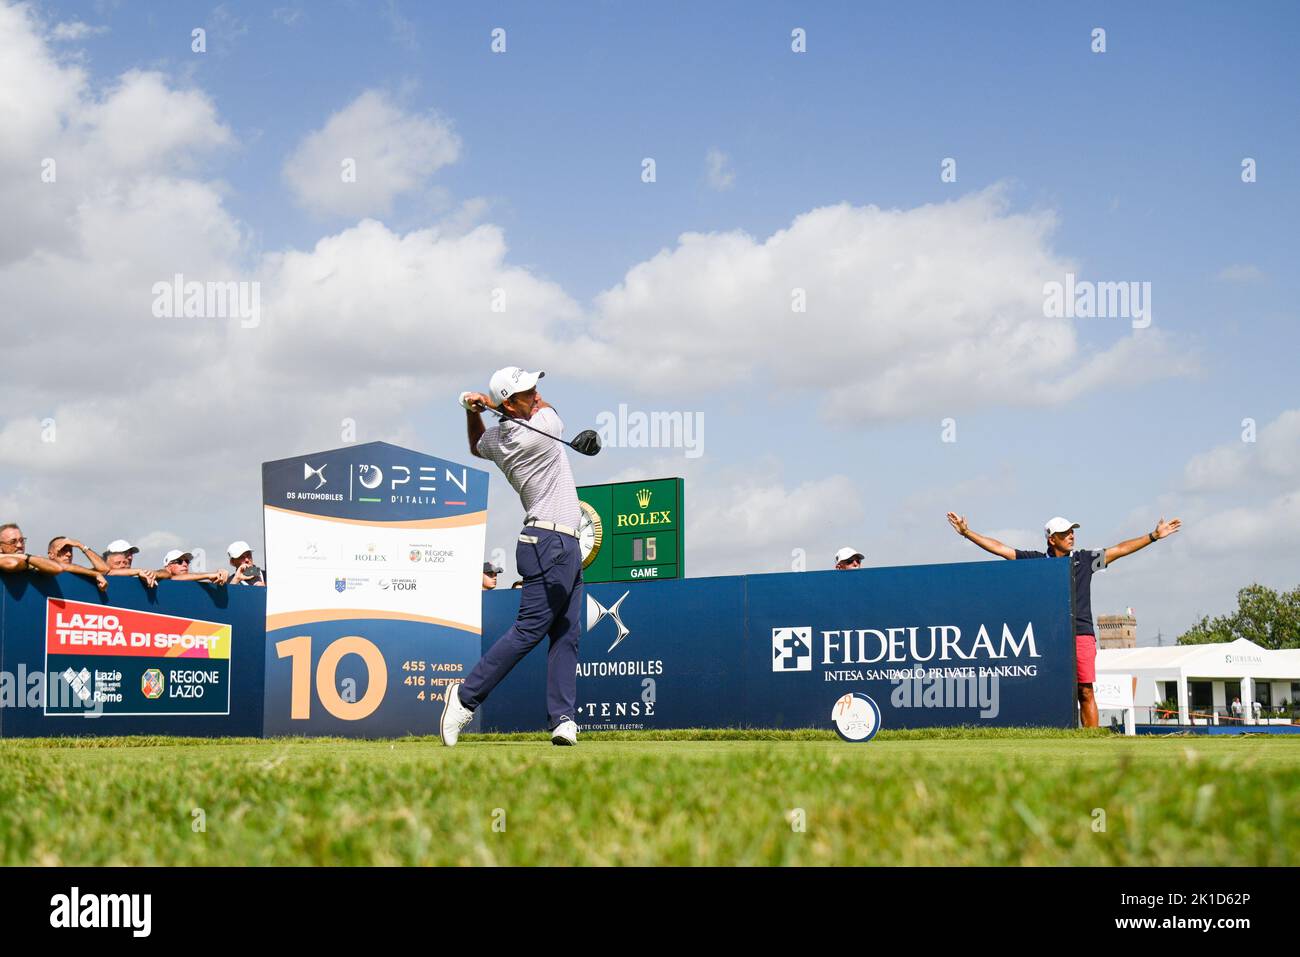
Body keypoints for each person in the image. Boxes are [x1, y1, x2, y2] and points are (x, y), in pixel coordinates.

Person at [442, 366, 584, 747]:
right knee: (529, 630)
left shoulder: (500, 438)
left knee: (567, 632)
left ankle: (563, 719)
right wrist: (489, 408)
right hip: (549, 541)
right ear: (509, 404)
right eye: (528, 393)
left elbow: (476, 444)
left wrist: (473, 412)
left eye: (536, 389)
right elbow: (548, 409)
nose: (537, 396)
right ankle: (464, 697)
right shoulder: (543, 429)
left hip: (563, 544)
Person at [946, 511, 1182, 728]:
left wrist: (1153, 536)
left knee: (1085, 691)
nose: (1071, 536)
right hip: (1049, 638)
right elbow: (1002, 550)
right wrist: (967, 533)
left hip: (1081, 634)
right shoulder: (1037, 561)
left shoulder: (1085, 560)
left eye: (1072, 532)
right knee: (1050, 690)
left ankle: (1091, 741)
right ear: (1052, 539)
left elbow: (1119, 550)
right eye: (1065, 533)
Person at [0, 523, 64, 574]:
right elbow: (14, 563)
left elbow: (57, 568)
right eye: (12, 542)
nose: (19, 545)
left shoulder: (26, 558)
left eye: (21, 540)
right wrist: (32, 563)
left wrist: (25, 557)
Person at [157, 549, 229, 585]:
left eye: (187, 561)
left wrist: (221, 573)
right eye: (179, 561)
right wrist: (208, 575)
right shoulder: (162, 581)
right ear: (168, 567)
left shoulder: (193, 584)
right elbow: (172, 578)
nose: (185, 564)